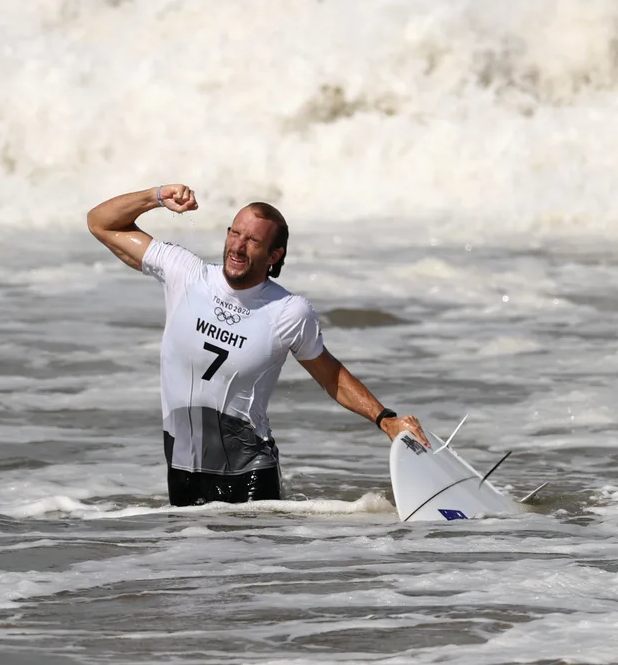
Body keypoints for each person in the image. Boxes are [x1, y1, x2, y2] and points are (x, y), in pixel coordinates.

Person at [87, 184, 429, 506]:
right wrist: (157, 195)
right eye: (234, 233)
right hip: (182, 467)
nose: (237, 246)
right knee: (191, 564)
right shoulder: (185, 273)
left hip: (249, 472)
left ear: (274, 254)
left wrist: (387, 420)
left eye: (252, 240)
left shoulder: (288, 311)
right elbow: (100, 222)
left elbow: (331, 376)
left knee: (254, 567)